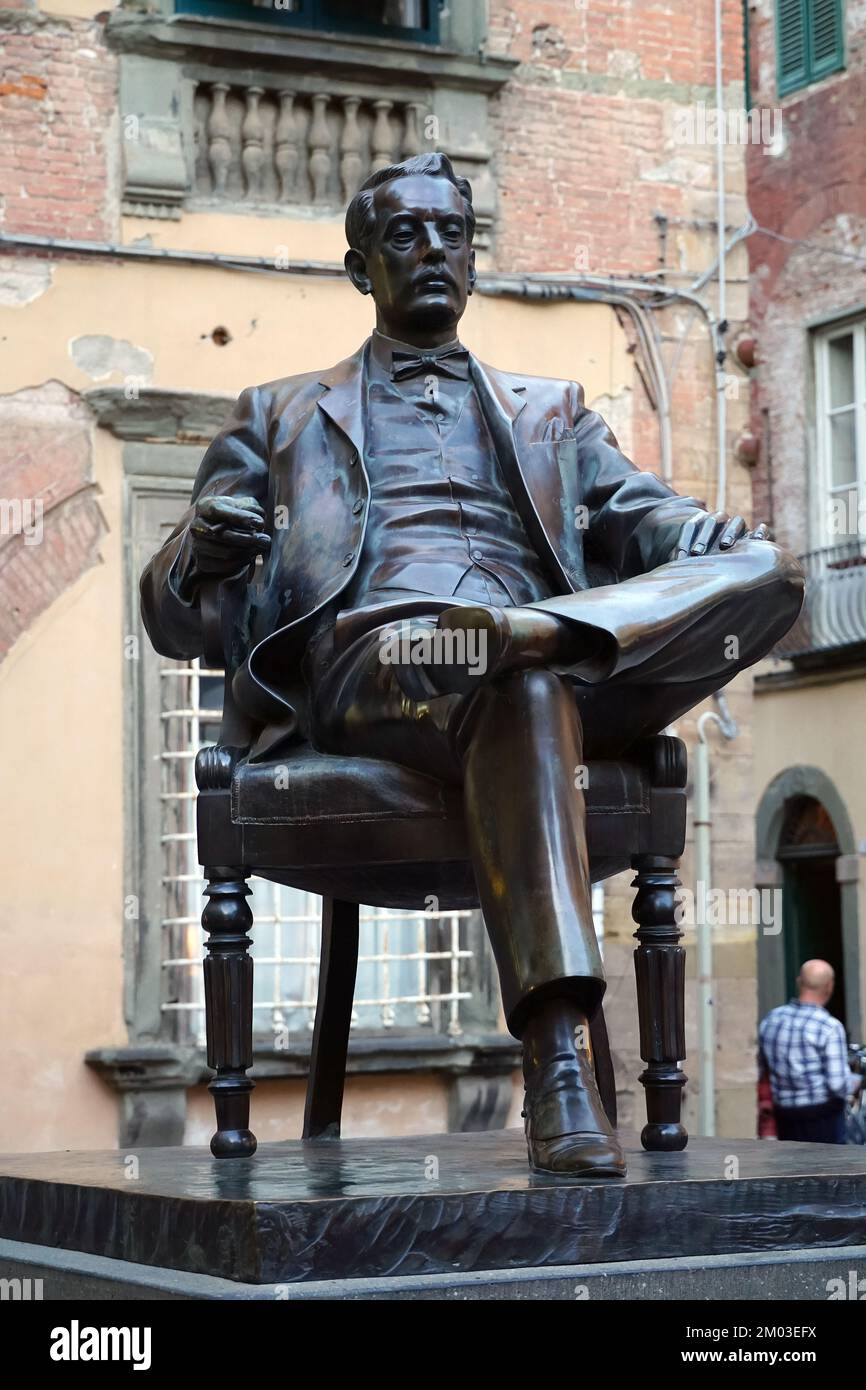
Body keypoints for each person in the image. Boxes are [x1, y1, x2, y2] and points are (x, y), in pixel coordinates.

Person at [141, 153, 804, 1176]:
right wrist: (198, 550)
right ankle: (559, 1063)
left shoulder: (550, 410)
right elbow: (178, 623)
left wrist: (702, 545)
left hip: (545, 652)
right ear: (361, 268)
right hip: (379, 658)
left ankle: (540, 634)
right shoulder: (276, 415)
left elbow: (650, 519)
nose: (435, 252)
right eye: (405, 236)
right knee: (508, 670)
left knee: (755, 567)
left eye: (452, 234)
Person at [759, 959, 861, 1144]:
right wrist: (857, 1081)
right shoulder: (829, 1026)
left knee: (793, 1170)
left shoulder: (772, 1020)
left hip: (784, 1115)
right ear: (829, 986)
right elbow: (837, 1085)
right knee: (828, 1170)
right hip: (822, 1117)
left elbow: (764, 1069)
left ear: (799, 982)